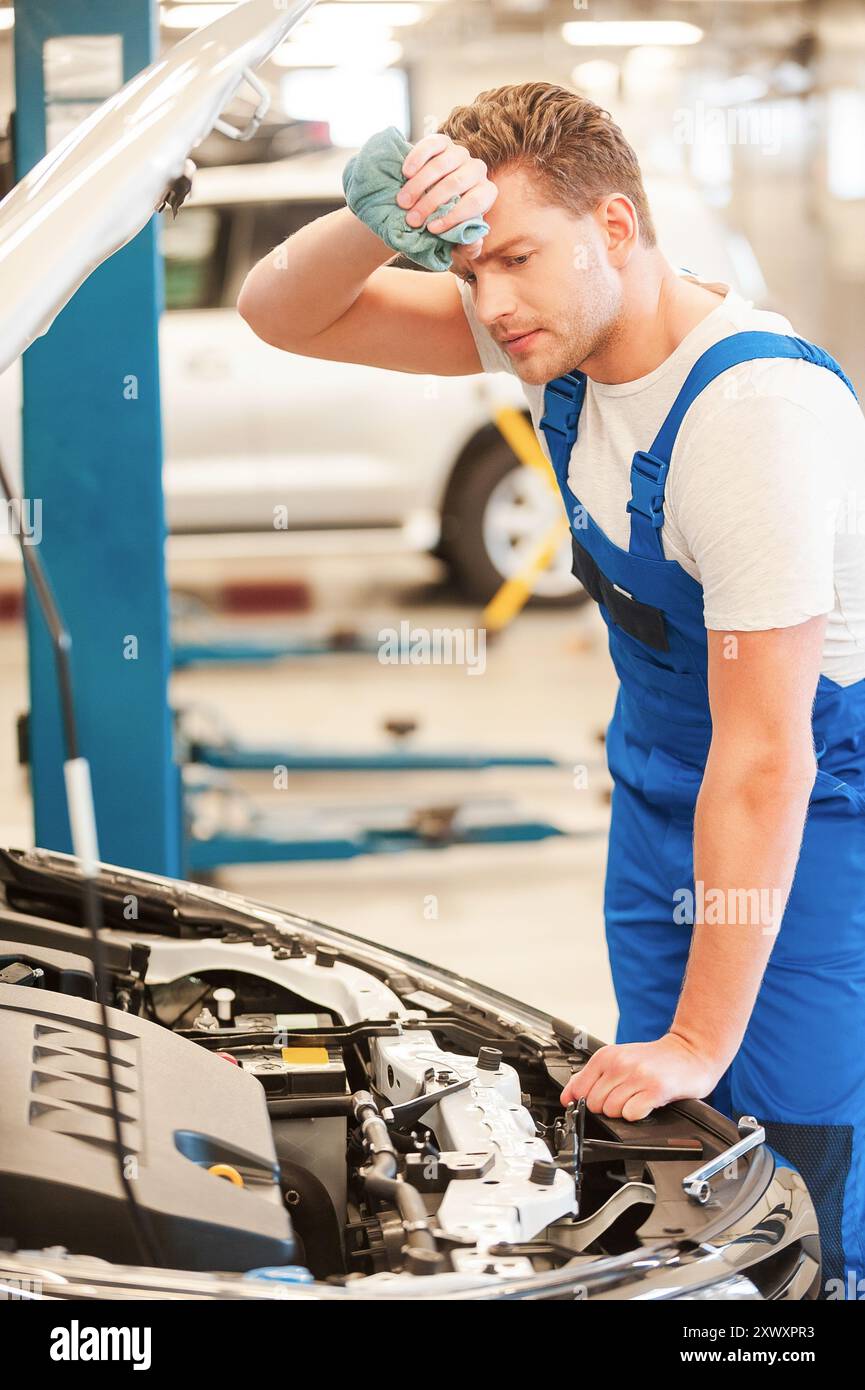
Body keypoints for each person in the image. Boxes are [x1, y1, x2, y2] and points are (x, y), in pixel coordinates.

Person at [238, 81, 865, 1294]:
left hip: (804, 812)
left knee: (799, 1172)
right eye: (468, 268)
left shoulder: (750, 414)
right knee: (690, 1155)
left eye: (515, 256)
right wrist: (379, 214)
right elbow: (284, 313)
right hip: (660, 791)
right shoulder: (561, 334)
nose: (492, 301)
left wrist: (698, 1030)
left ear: (616, 228)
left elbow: (768, 755)